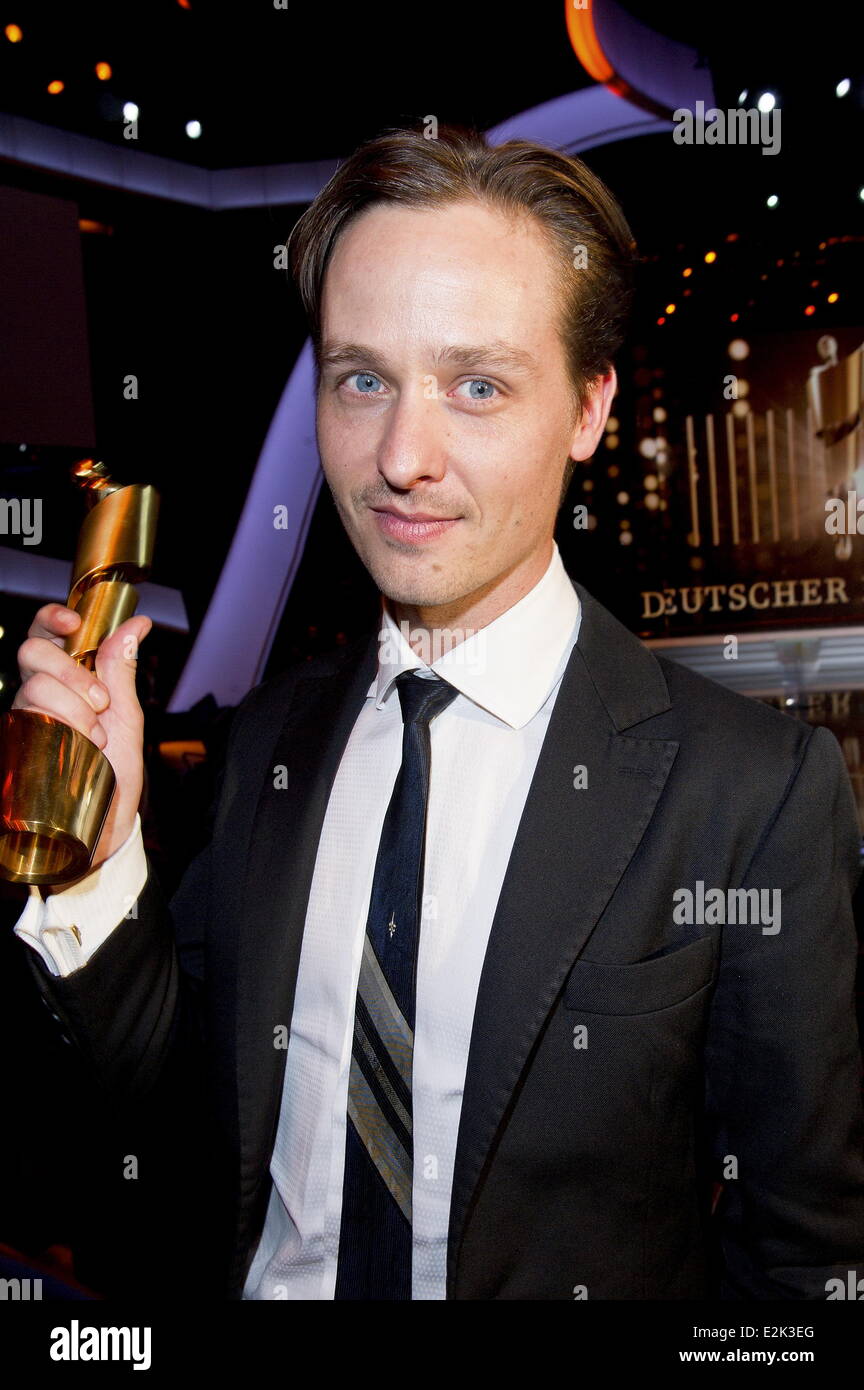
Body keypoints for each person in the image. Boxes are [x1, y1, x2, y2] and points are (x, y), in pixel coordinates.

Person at [11, 126, 864, 1300]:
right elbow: (172, 1114)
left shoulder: (751, 791)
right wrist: (96, 864)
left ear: (587, 406)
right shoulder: (271, 739)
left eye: (477, 385)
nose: (401, 457)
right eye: (362, 378)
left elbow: (807, 1258)